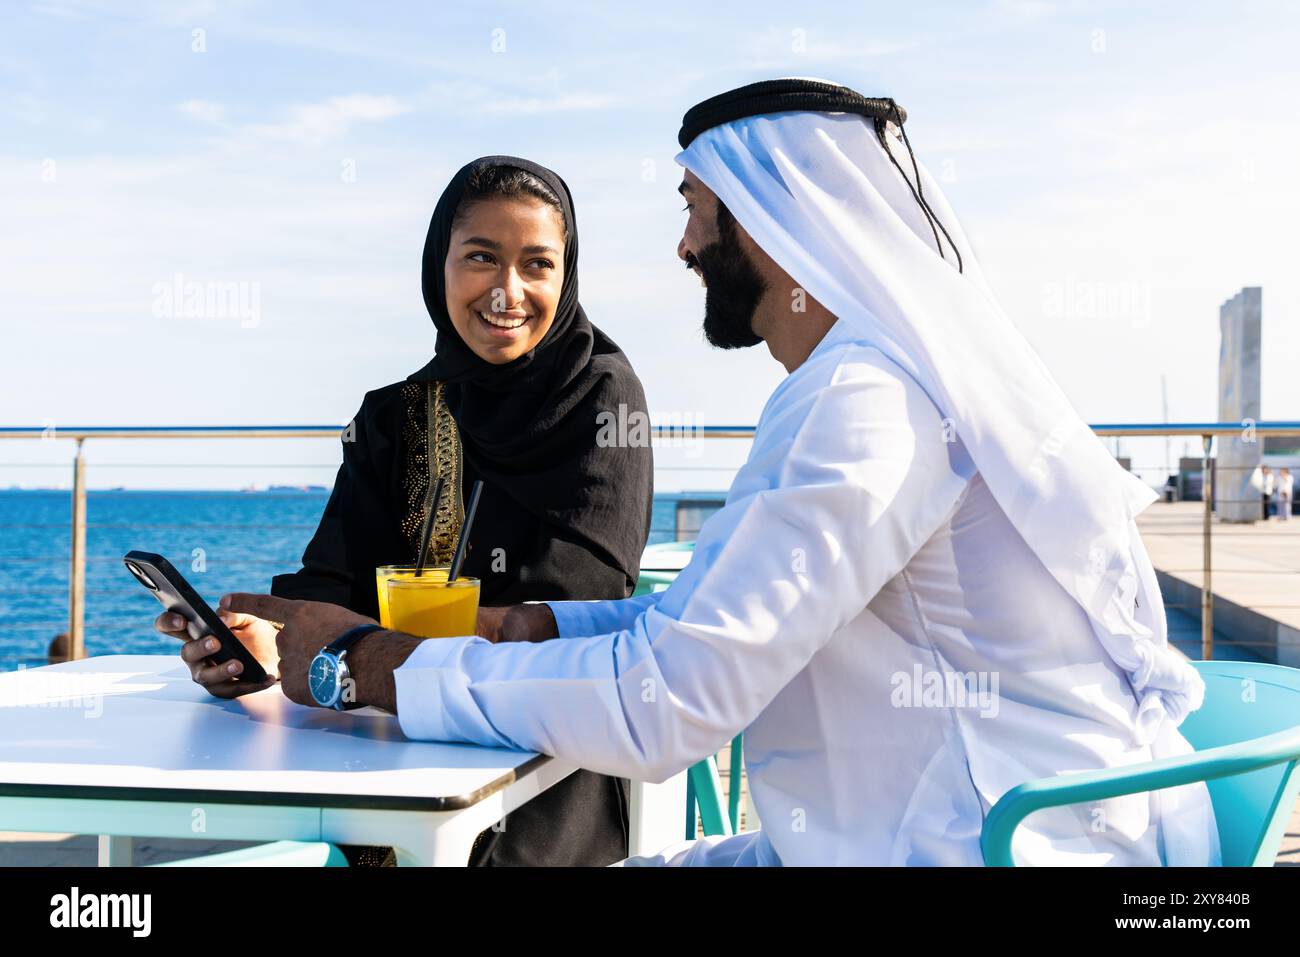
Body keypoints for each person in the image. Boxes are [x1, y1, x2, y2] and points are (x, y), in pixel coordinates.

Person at [203, 79, 1219, 866]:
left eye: (699, 210)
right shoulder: (862, 384)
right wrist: (510, 624)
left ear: (773, 220)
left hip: (977, 843)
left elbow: (664, 707)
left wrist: (373, 667)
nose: (685, 244)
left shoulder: (864, 405)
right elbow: (689, 623)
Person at [159, 156, 654, 866]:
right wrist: (262, 646)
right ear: (438, 266)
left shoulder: (598, 399)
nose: (508, 291)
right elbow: (330, 581)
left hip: (540, 782)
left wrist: (343, 647)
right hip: (379, 769)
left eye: (538, 264)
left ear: (566, 276)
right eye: (481, 257)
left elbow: (572, 619)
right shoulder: (398, 415)